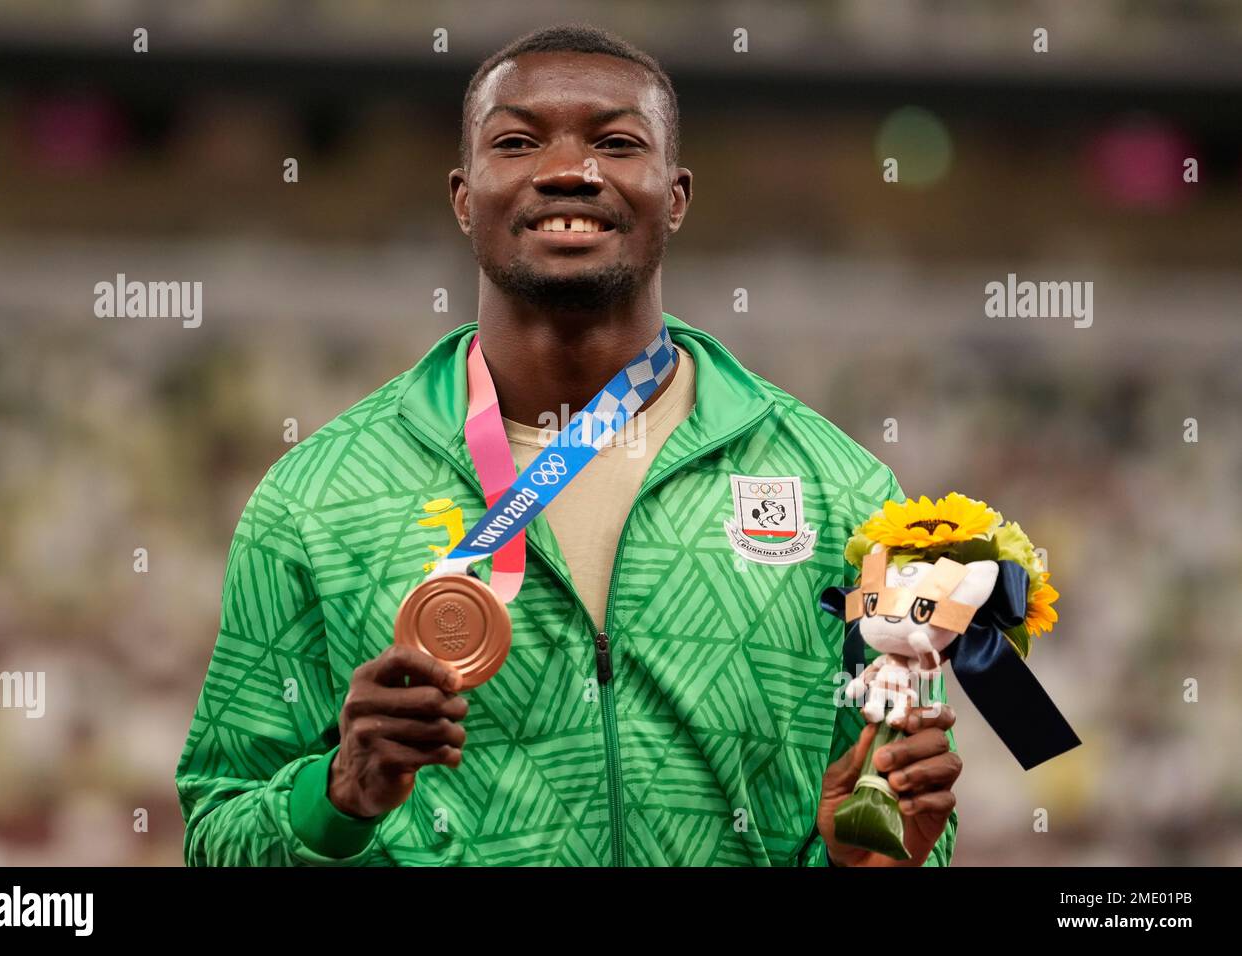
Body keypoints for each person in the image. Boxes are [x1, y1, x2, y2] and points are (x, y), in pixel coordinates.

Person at [176, 23, 961, 867]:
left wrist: (867, 859)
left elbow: (901, 818)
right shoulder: (316, 500)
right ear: (463, 196)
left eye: (617, 143)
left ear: (678, 194)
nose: (567, 171)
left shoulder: (845, 494)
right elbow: (214, 835)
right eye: (516, 142)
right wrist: (336, 798)